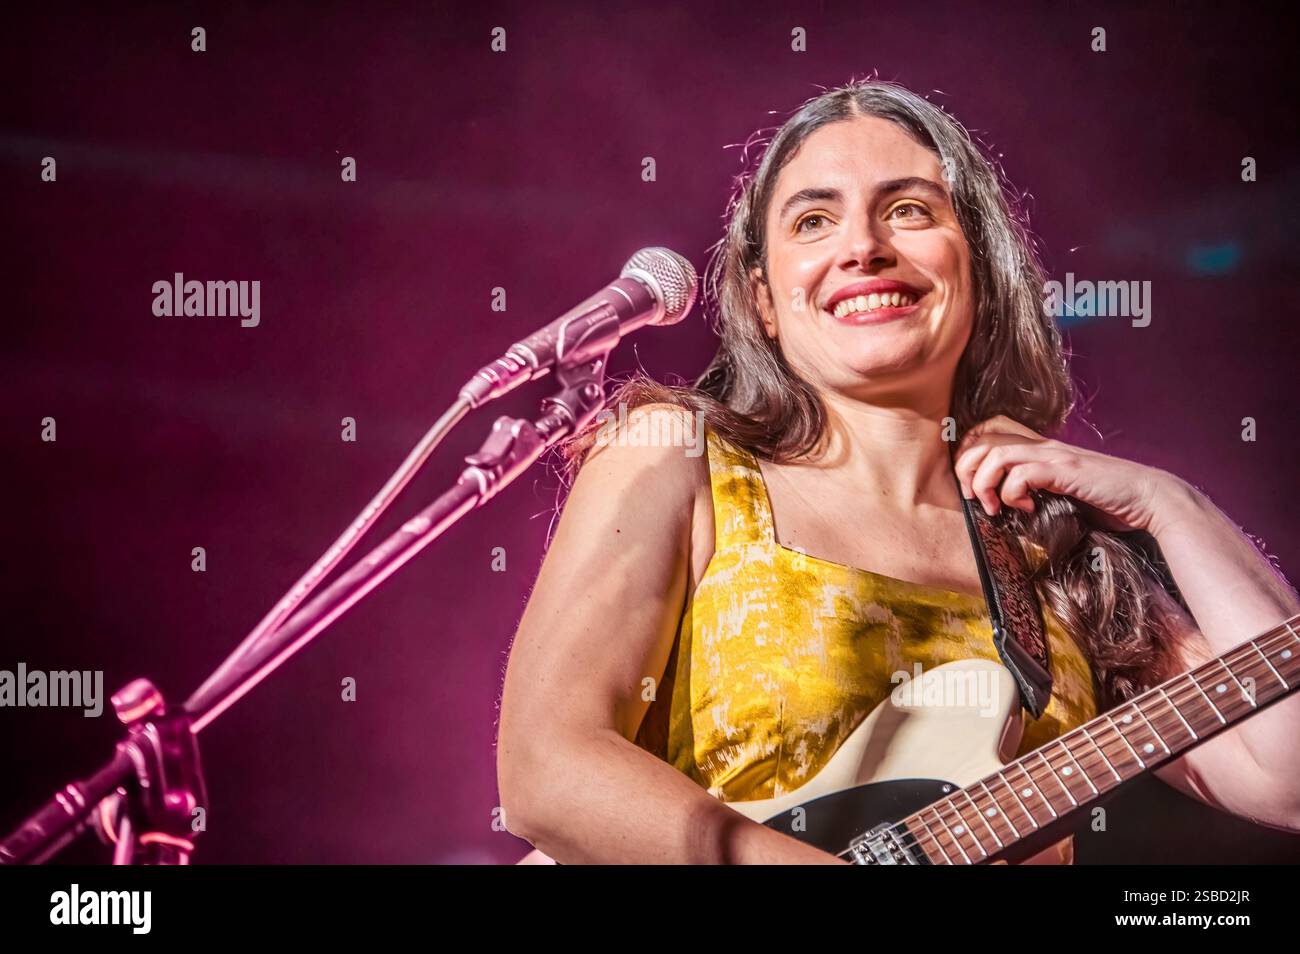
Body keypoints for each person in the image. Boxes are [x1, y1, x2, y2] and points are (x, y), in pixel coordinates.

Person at [495, 79, 1300, 864]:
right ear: (764, 299)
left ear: (979, 267)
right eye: (813, 220)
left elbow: (1287, 778)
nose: (862, 247)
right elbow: (549, 772)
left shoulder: (1061, 555)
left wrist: (1174, 505)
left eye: (910, 210)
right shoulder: (677, 456)